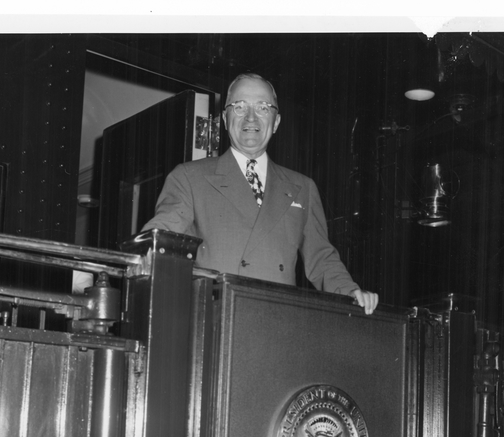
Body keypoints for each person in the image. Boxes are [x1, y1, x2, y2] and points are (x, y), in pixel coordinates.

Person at [142, 72, 379, 314]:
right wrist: (146, 254)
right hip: (216, 317)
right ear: (225, 119)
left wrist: (350, 292)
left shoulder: (303, 187)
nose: (251, 117)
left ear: (276, 122)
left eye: (263, 107)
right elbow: (161, 236)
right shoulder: (189, 177)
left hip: (278, 320)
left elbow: (321, 258)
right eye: (239, 106)